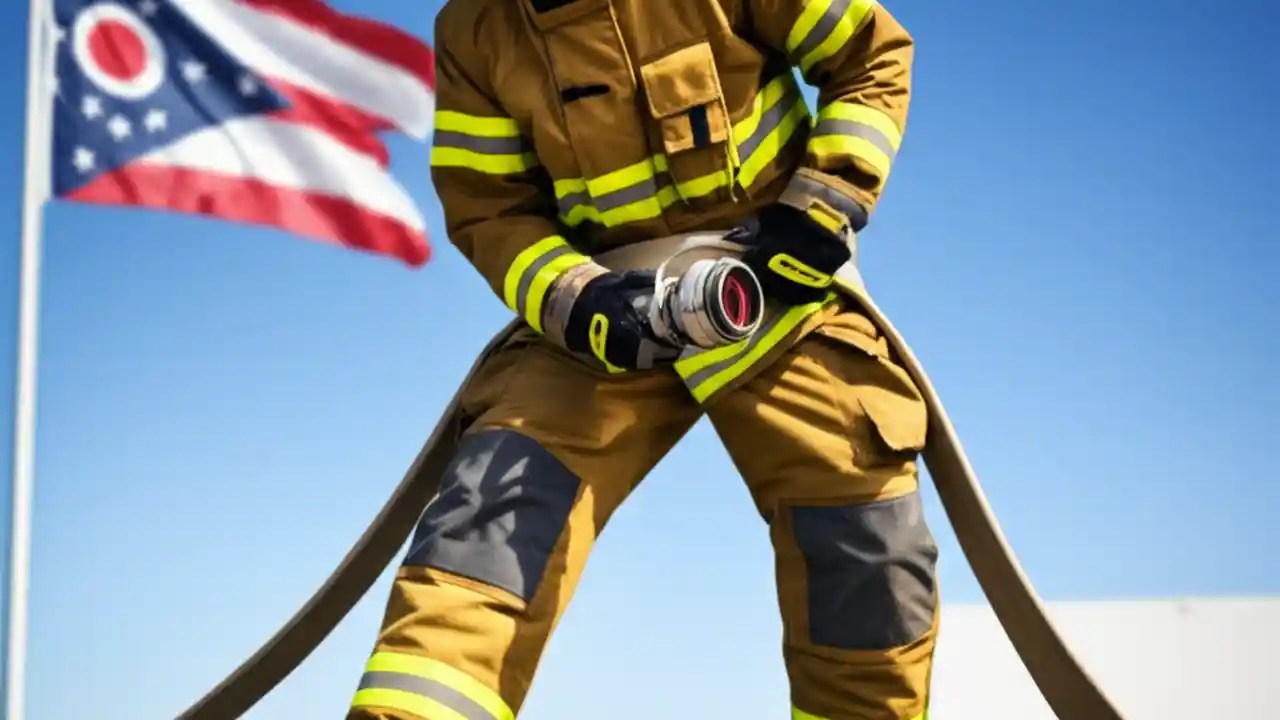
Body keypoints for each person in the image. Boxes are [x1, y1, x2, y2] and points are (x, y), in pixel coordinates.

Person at [348, 1, 937, 718]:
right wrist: (578, 299)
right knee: (489, 514)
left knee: (863, 534)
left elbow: (871, 59)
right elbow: (489, 210)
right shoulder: (475, 30)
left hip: (774, 288)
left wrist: (821, 207)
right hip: (598, 321)